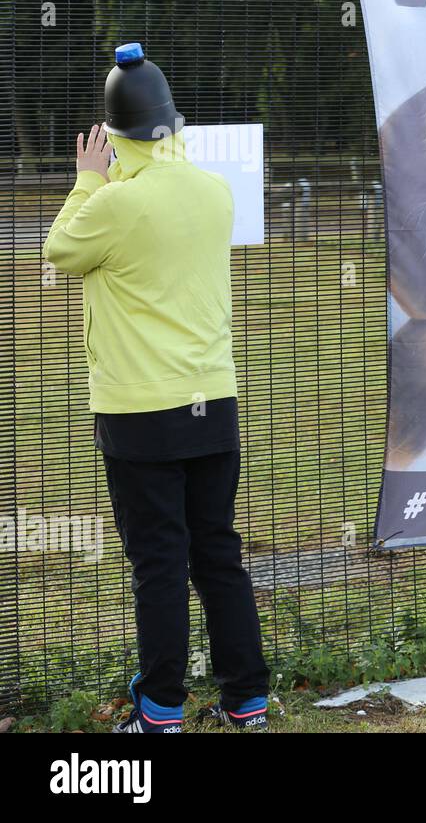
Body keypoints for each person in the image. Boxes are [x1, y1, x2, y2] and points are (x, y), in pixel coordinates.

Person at [43, 43, 269, 732]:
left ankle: (162, 710)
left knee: (161, 563)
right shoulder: (214, 191)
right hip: (213, 404)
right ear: (173, 124)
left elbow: (60, 249)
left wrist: (88, 178)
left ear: (112, 137)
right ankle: (247, 698)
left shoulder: (113, 205)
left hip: (140, 414)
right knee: (218, 554)